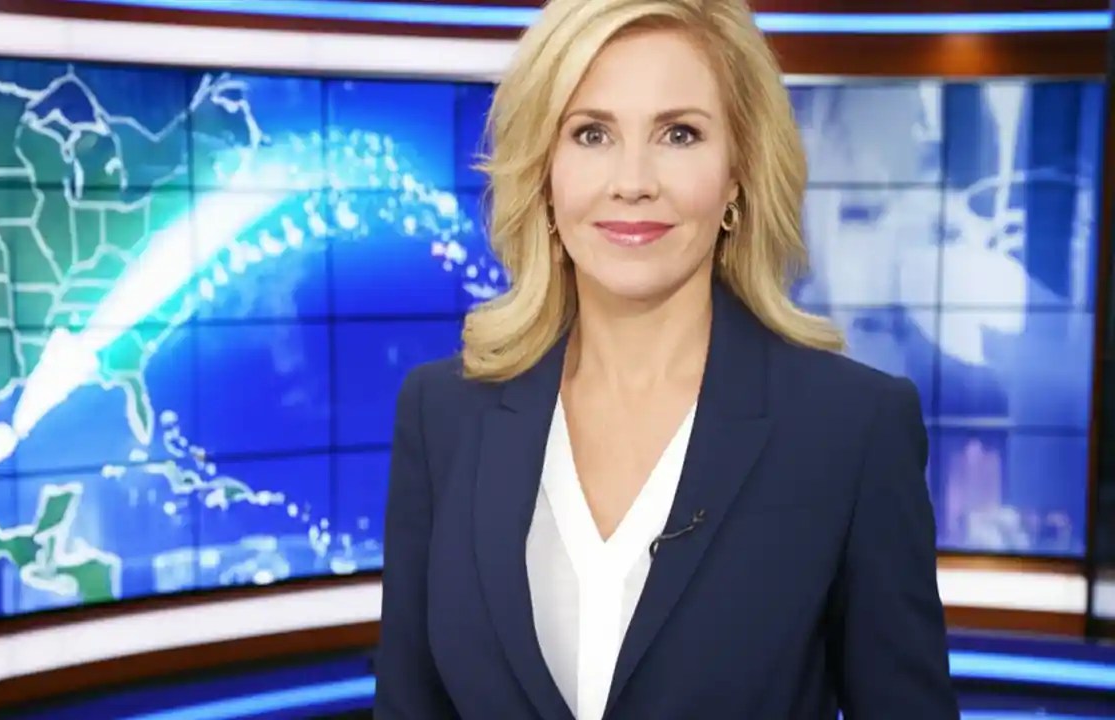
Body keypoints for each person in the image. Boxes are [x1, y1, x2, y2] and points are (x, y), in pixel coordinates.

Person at [374, 0, 960, 717]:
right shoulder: (443, 413)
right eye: (591, 133)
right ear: (544, 172)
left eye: (679, 134)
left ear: (738, 173)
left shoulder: (851, 429)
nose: (633, 180)